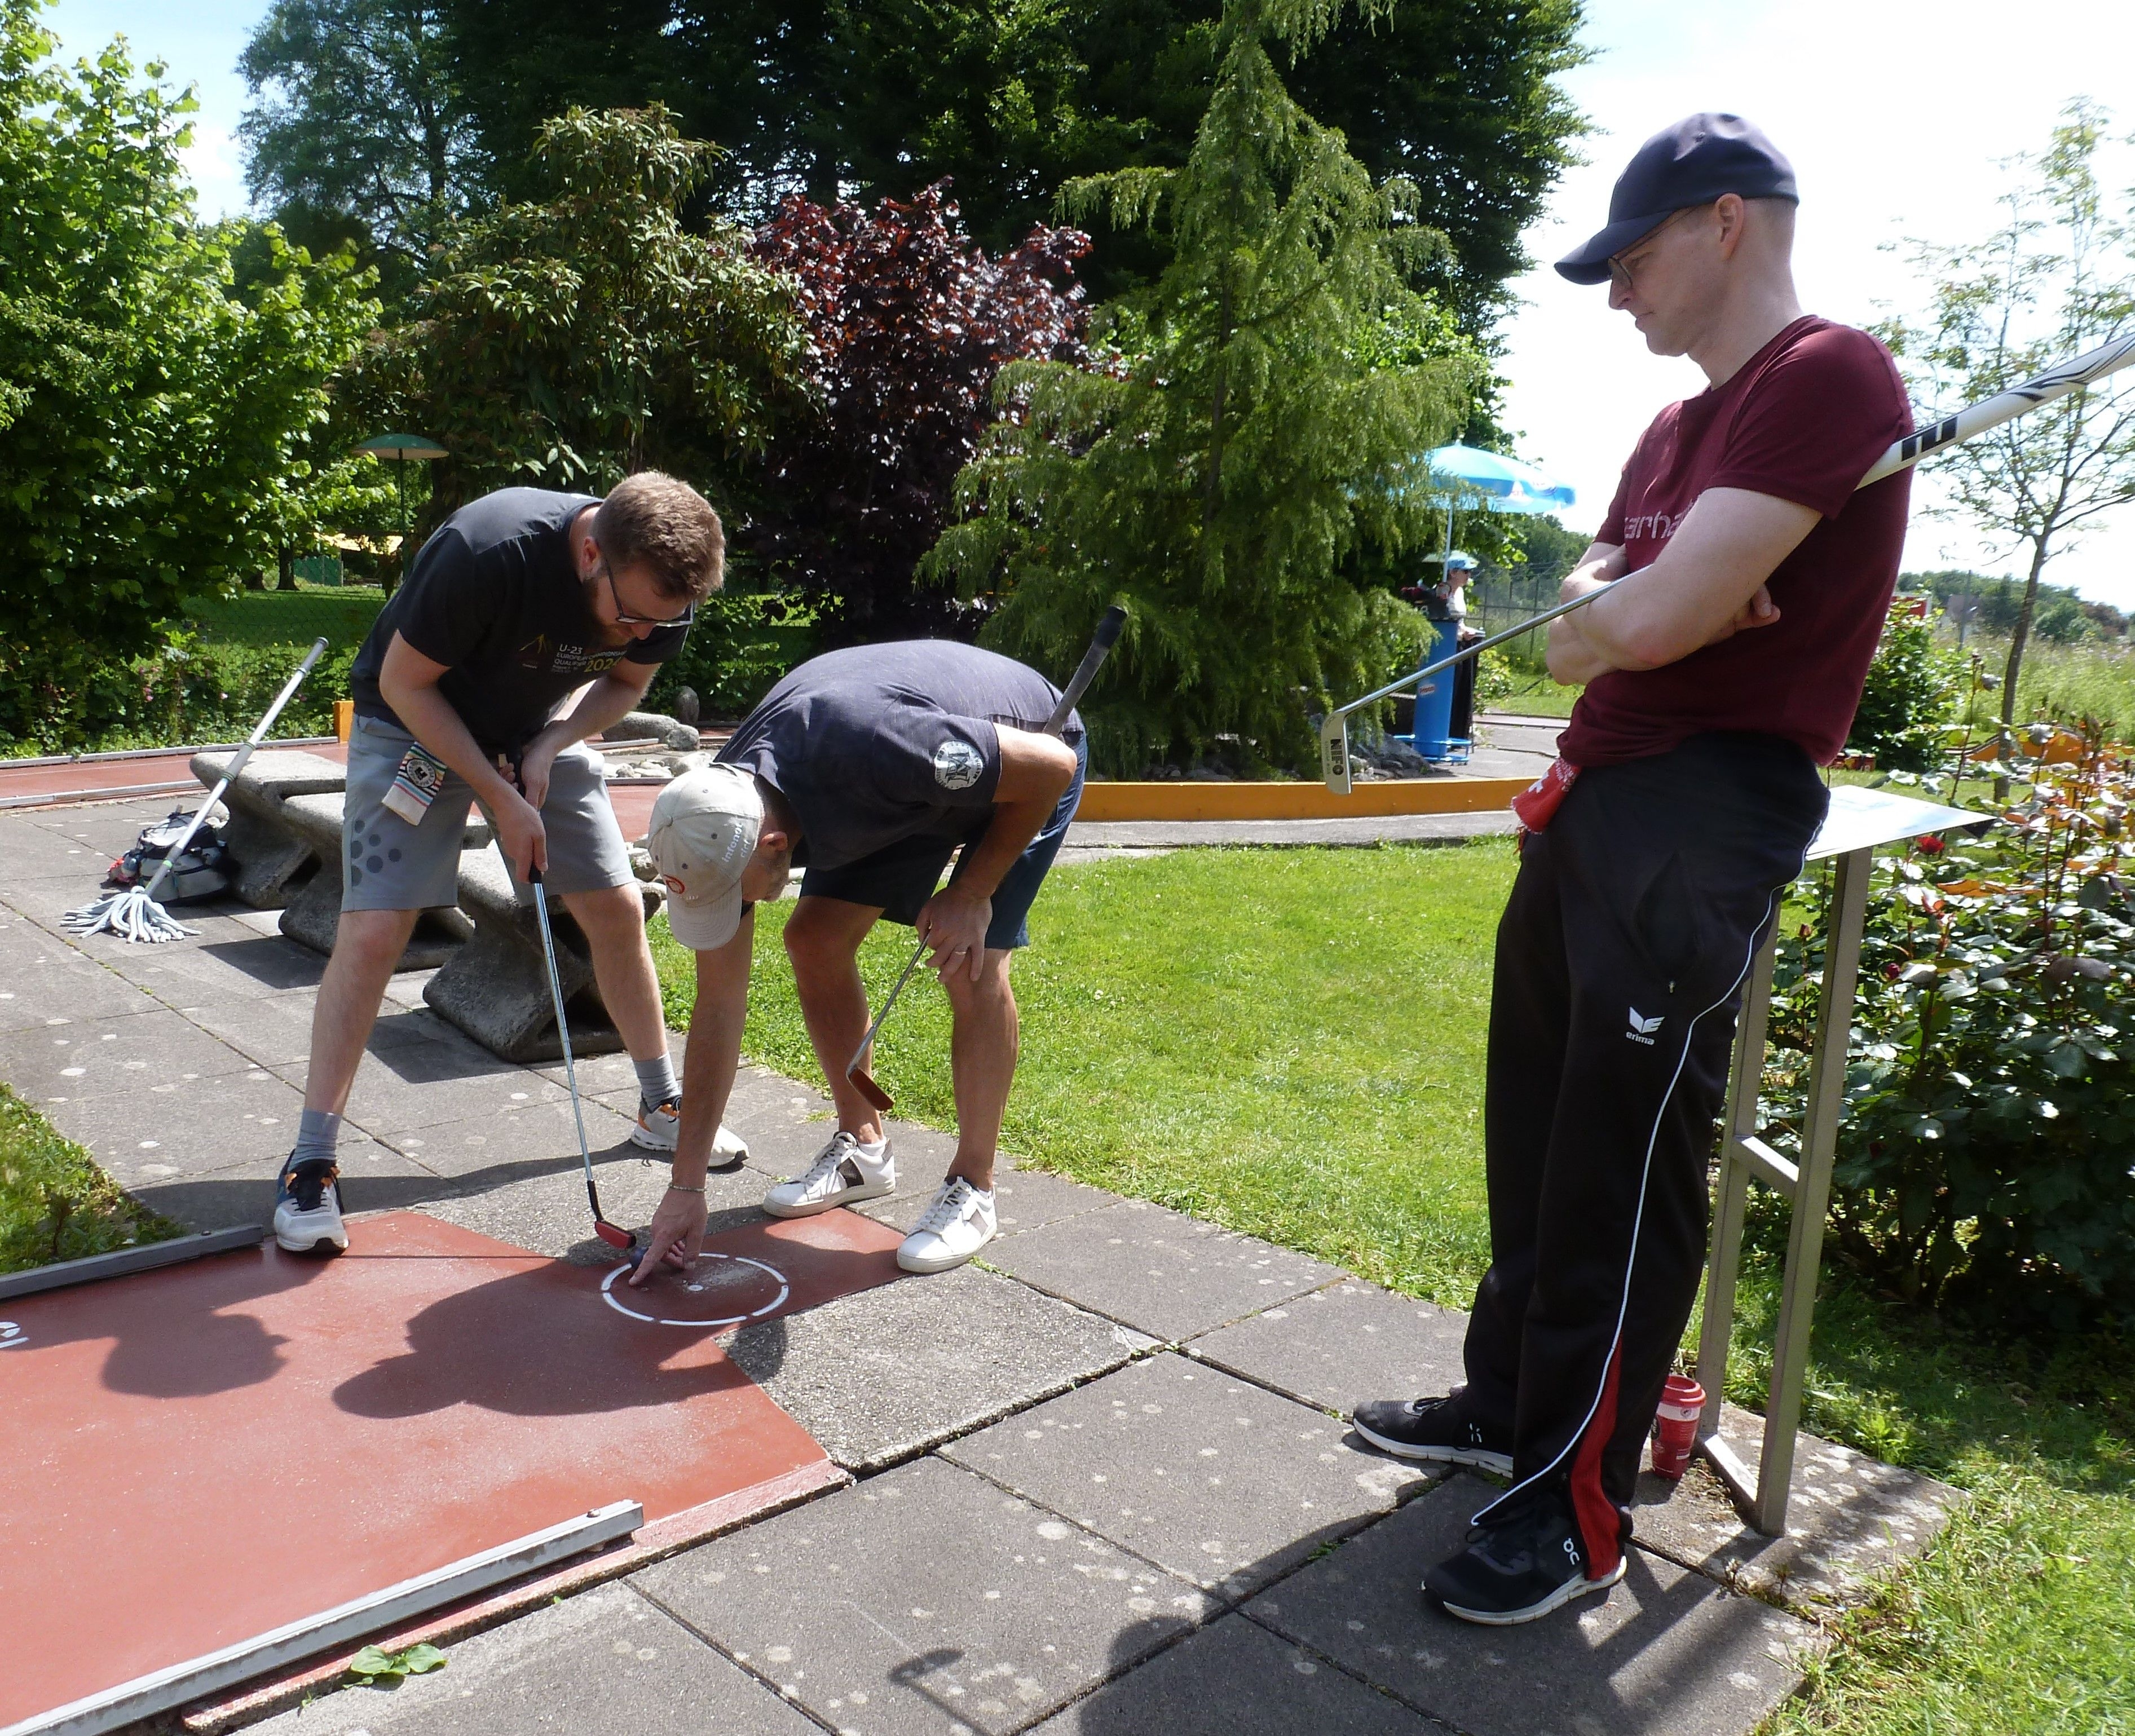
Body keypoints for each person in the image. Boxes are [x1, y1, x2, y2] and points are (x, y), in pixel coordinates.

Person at [1352, 114, 1914, 1624]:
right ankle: (1501, 1404)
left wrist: (1639, 608)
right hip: (1595, 786)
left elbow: (1641, 625)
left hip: (1709, 803)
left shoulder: (1828, 377)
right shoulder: (1673, 434)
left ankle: (1571, 1507)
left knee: (1621, 1158)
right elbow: (1587, 614)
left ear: (1725, 221)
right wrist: (1637, 602)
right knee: (1534, 1131)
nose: (1617, 295)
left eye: (1634, 257)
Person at [271, 474, 747, 1254]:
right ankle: (312, 1160)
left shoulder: (662, 591)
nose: (640, 634)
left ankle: (661, 1106)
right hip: (414, 728)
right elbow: (403, 682)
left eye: (661, 622)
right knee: (377, 925)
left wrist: (551, 745)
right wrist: (498, 794)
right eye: (628, 615)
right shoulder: (486, 550)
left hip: (535, 729)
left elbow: (624, 683)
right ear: (592, 551)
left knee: (616, 906)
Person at [627, 641, 1085, 1283]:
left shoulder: (879, 749)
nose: (733, 911)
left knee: (969, 957)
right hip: (902, 796)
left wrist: (972, 892)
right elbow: (719, 1005)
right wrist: (688, 1187)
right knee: (814, 939)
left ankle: (974, 1185)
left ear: (775, 845)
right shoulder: (717, 807)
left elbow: (1052, 766)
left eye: (735, 892)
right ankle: (864, 1149)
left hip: (1025, 758)